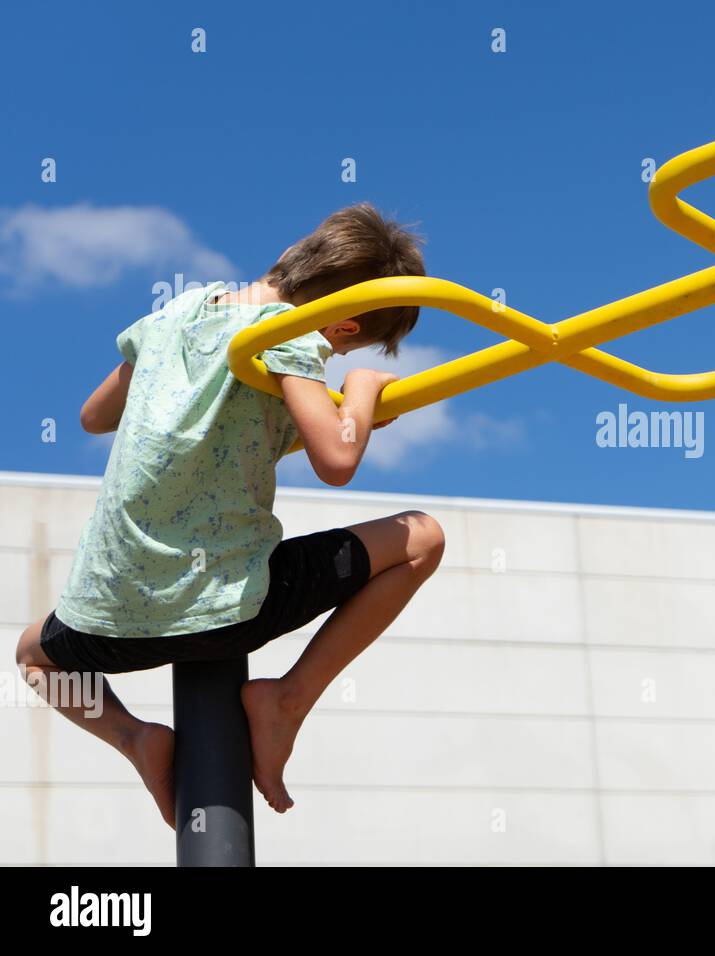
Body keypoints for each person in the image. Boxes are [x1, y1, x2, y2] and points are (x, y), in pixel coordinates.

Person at [14, 203, 445, 826]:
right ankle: (288, 701)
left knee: (33, 654)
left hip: (111, 619)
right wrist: (359, 394)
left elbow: (94, 416)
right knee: (421, 540)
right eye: (343, 347)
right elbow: (337, 456)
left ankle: (136, 739)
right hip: (232, 609)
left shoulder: (177, 312)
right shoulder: (289, 333)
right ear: (344, 326)